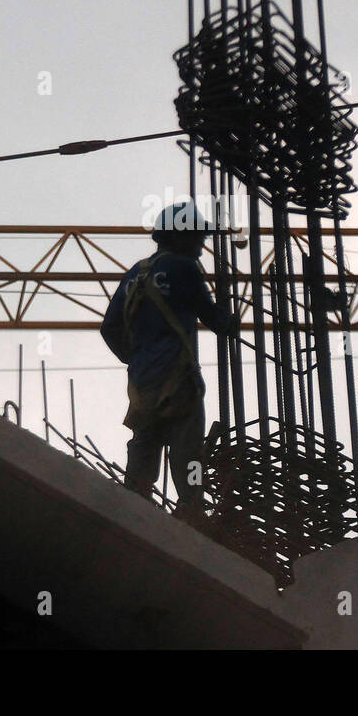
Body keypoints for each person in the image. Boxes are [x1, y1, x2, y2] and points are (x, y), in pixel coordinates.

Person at [100, 201, 236, 520]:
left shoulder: (136, 273)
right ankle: (191, 505)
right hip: (178, 376)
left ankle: (134, 500)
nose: (202, 248)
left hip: (142, 382)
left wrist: (135, 358)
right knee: (187, 447)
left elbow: (109, 328)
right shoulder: (183, 268)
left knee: (145, 440)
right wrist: (230, 322)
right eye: (197, 239)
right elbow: (214, 318)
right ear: (179, 237)